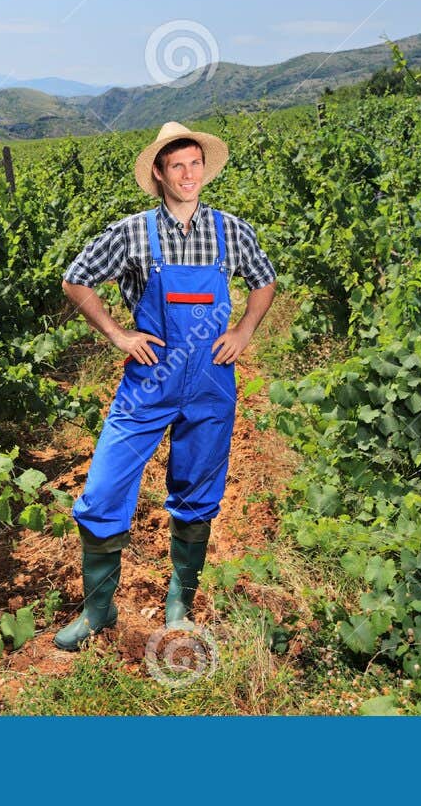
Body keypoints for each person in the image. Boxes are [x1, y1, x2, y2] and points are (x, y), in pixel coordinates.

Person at [53, 121, 276, 650]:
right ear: (159, 172)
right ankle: (99, 611)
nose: (188, 173)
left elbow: (264, 280)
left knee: (197, 494)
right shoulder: (133, 232)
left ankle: (179, 604)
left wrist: (244, 331)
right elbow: (75, 279)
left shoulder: (230, 231)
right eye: (177, 165)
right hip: (149, 379)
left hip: (210, 382)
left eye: (195, 163)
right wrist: (117, 333)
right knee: (104, 487)